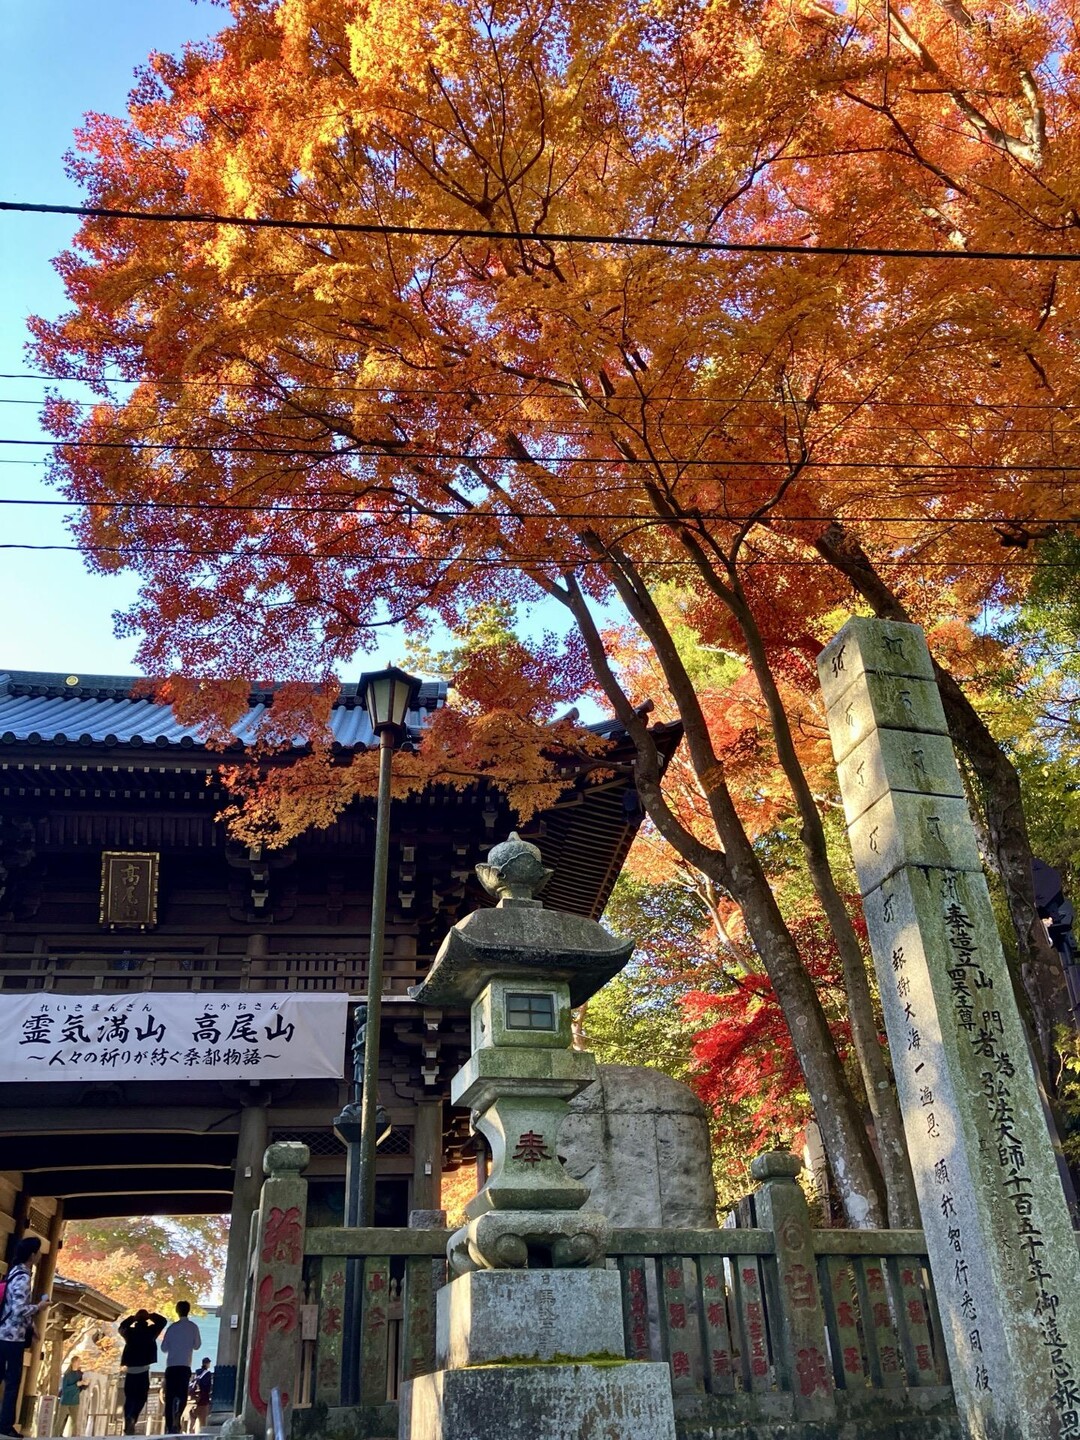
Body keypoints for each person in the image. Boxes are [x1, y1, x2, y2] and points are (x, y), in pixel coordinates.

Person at [0, 1237, 49, 1439]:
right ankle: (5, 1425)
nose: (39, 1255)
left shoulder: (14, 1272)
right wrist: (39, 1307)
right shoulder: (23, 1277)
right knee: (12, 1383)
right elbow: (19, 1309)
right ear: (32, 1255)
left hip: (3, 1332)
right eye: (38, 1252)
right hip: (13, 1338)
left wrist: (32, 1326)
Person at [118, 1308, 166, 1436]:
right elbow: (162, 1321)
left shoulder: (129, 1333)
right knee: (141, 1397)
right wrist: (150, 1315)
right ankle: (133, 1417)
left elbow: (121, 1327)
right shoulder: (151, 1331)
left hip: (130, 1370)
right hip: (144, 1369)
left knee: (130, 1397)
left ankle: (128, 1419)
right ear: (146, 1320)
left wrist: (133, 1318)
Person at [159, 1303, 200, 1434]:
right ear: (188, 1311)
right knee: (182, 1394)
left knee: (169, 1396)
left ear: (177, 1311)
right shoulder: (193, 1327)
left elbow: (163, 1348)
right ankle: (178, 1415)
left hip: (171, 1366)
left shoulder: (172, 1328)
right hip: (185, 1365)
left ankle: (169, 1425)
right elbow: (197, 1345)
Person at [56, 1357, 88, 1437]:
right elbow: (65, 1389)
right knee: (60, 1421)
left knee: (75, 1422)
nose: (79, 1363)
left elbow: (81, 1387)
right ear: (73, 1362)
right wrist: (76, 1384)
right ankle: (56, 1436)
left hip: (75, 1401)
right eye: (78, 1361)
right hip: (65, 1401)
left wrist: (85, 1384)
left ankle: (74, 1437)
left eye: (80, 1361)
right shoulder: (67, 1375)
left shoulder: (80, 1374)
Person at [185, 1359, 212, 1434]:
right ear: (207, 1364)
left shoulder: (197, 1373)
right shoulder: (207, 1373)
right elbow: (207, 1387)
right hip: (203, 1400)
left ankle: (189, 1433)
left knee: (192, 1420)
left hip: (194, 1400)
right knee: (203, 1422)